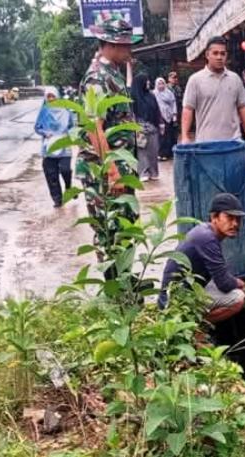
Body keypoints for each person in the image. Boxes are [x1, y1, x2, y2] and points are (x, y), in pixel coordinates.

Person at [77, 17, 140, 275]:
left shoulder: (111, 72)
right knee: (110, 230)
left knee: (125, 226)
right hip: (104, 173)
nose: (129, 50)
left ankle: (126, 290)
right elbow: (94, 127)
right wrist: (112, 171)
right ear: (111, 44)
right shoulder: (96, 78)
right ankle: (117, 298)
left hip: (119, 168)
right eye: (125, 45)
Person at [158, 193, 245, 324]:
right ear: (214, 217)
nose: (235, 224)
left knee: (226, 282)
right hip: (173, 302)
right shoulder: (207, 238)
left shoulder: (206, 232)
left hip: (187, 288)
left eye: (238, 219)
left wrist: (232, 281)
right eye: (229, 217)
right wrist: (239, 283)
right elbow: (224, 283)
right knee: (238, 298)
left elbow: (219, 274)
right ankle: (193, 326)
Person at [181, 36, 245, 148]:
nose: (219, 57)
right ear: (207, 55)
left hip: (233, 143)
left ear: (226, 56)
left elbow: (242, 107)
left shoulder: (235, 79)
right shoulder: (195, 80)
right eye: (215, 53)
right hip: (206, 144)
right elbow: (188, 109)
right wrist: (185, 136)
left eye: (222, 53)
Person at [34, 87, 75, 207]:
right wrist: (45, 133)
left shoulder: (66, 111)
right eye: (48, 97)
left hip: (64, 145)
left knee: (65, 170)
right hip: (49, 147)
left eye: (53, 96)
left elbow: (72, 126)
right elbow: (37, 127)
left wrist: (69, 135)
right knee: (51, 174)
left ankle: (68, 187)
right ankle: (57, 199)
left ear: (57, 96)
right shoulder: (44, 111)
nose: (51, 99)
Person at [132, 74, 163, 182]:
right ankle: (143, 172)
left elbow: (157, 110)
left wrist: (160, 123)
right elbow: (132, 113)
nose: (148, 83)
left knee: (153, 150)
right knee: (142, 151)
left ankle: (154, 172)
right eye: (146, 81)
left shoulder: (151, 96)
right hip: (140, 126)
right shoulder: (134, 97)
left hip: (152, 126)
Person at [154, 77, 177, 161]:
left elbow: (173, 103)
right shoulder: (154, 94)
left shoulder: (169, 93)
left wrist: (174, 115)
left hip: (169, 116)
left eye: (162, 83)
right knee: (161, 136)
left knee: (169, 135)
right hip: (159, 117)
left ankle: (169, 153)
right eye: (159, 84)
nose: (161, 85)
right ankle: (160, 153)